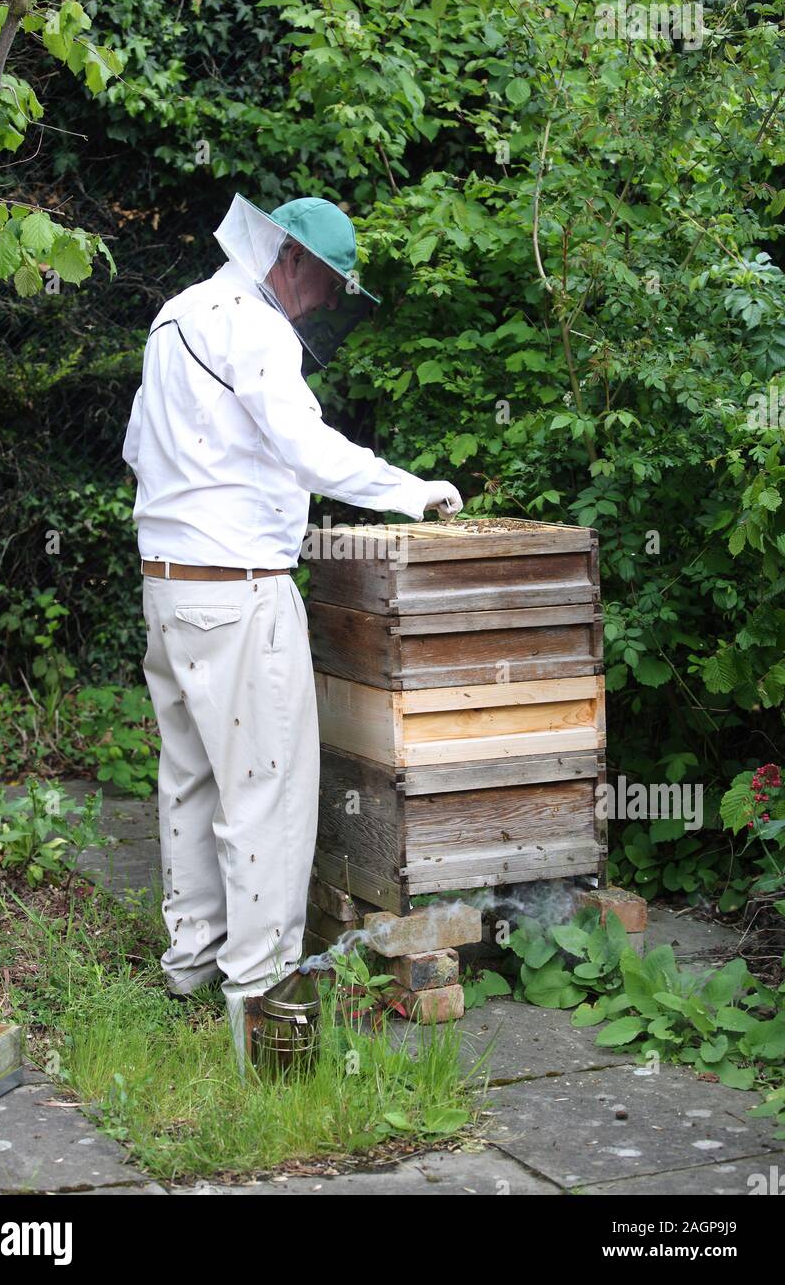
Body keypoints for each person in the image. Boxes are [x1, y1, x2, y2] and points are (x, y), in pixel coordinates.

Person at [122, 193, 463, 1068]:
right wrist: (412, 490)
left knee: (191, 783)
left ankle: (190, 970)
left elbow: (136, 450)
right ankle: (264, 1010)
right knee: (266, 798)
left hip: (168, 592)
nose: (330, 303)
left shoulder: (176, 316)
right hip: (238, 594)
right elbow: (307, 448)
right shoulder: (259, 329)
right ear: (292, 260)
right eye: (330, 283)